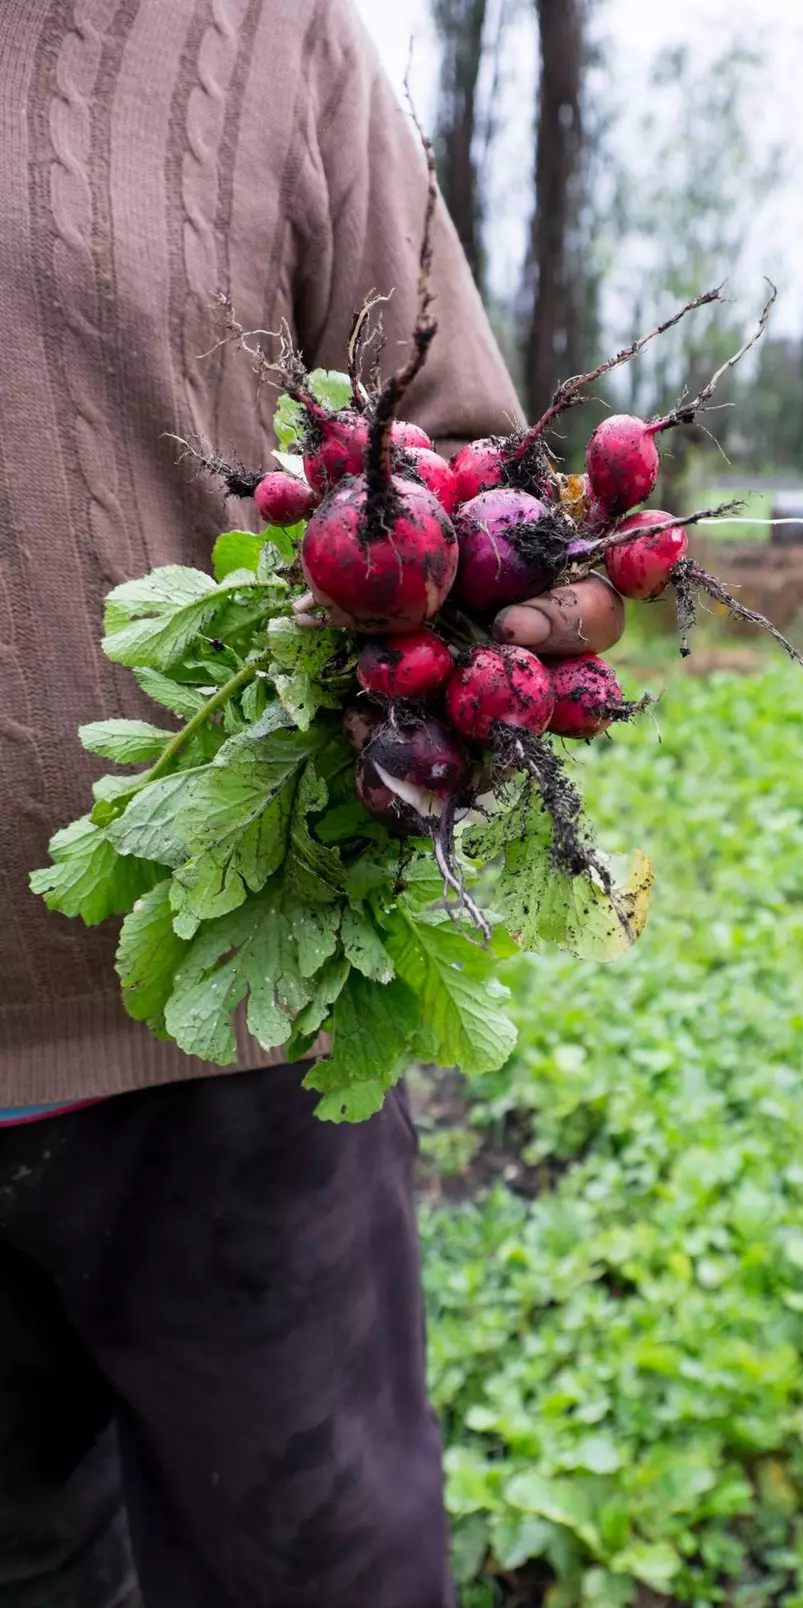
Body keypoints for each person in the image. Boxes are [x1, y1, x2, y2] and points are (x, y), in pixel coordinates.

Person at [0, 3, 623, 1604]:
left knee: (314, 1561)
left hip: (243, 1030)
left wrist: (521, 606)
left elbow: (470, 459)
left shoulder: (269, 33)